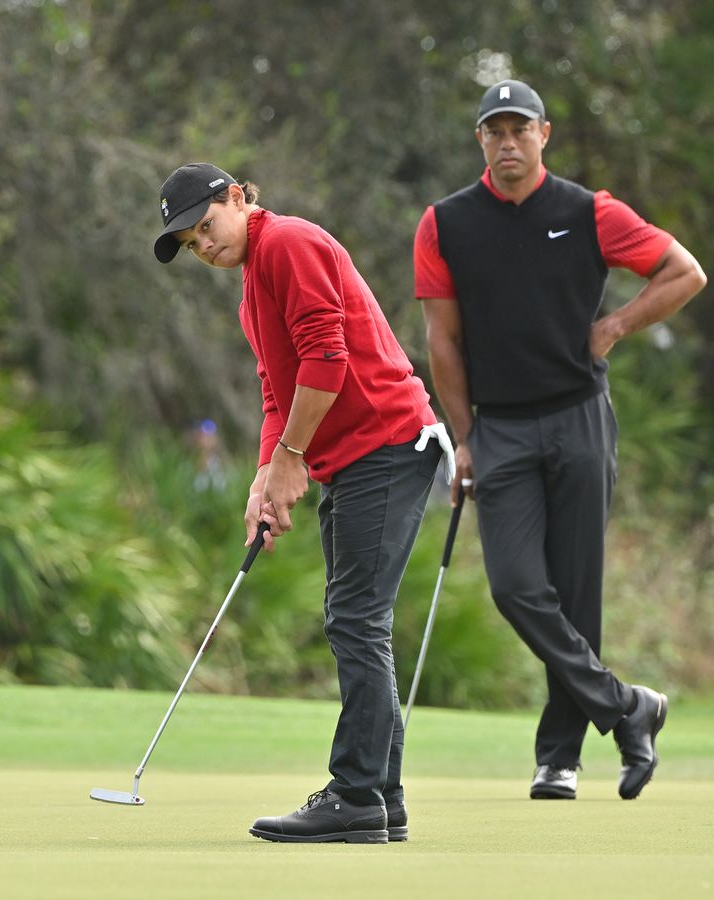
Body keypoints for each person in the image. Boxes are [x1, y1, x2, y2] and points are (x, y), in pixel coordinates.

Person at [414, 80, 707, 800]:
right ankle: (629, 708)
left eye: (520, 130)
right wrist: (466, 437)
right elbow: (442, 342)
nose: (508, 142)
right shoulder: (446, 223)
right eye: (494, 132)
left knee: (576, 594)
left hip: (579, 417)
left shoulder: (590, 212)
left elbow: (684, 272)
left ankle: (560, 758)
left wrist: (615, 326)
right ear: (480, 141)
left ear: (545, 134)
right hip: (501, 427)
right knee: (517, 586)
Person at [153, 163, 453, 843]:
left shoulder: (288, 243)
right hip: (351, 458)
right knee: (354, 617)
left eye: (206, 226)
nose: (204, 245)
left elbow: (328, 360)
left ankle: (356, 794)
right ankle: (382, 795)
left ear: (238, 197)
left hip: (385, 441)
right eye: (191, 243)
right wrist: (266, 477)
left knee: (355, 618)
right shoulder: (251, 286)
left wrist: (291, 460)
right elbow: (276, 391)